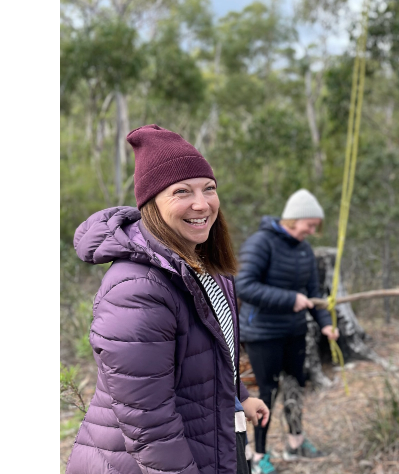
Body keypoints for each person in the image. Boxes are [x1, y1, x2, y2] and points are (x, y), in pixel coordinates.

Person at [66, 124, 270, 474]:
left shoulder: (205, 264)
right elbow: (148, 423)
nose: (201, 203)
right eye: (181, 192)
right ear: (151, 204)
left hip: (211, 438)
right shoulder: (136, 288)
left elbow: (210, 355)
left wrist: (240, 397)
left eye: (209, 189)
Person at [236, 188, 340, 471]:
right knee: (266, 393)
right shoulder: (261, 243)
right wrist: (290, 299)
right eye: (310, 224)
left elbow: (314, 292)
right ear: (294, 219)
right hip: (261, 332)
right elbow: (244, 285)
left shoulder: (305, 249)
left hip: (294, 331)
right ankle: (259, 457)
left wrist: (327, 324)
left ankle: (296, 443)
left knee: (295, 385)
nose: (312, 230)